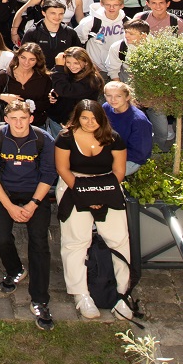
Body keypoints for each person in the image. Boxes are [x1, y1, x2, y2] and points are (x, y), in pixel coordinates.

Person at [0, 101, 57, 329]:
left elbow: (48, 174)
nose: (19, 123)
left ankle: (40, 299)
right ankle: (15, 269)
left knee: (39, 243)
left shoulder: (43, 139)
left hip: (35, 194)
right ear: (6, 120)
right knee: (0, 238)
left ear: (31, 118)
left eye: (23, 118)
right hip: (5, 193)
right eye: (13, 118)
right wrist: (10, 206)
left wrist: (33, 204)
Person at [54, 99, 132, 321]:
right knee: (76, 240)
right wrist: (85, 194)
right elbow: (62, 168)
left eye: (94, 118)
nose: (90, 122)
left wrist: (99, 194)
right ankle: (81, 294)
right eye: (85, 118)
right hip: (73, 185)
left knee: (118, 239)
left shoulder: (113, 138)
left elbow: (119, 171)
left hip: (107, 186)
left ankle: (122, 294)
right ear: (77, 118)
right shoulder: (65, 138)